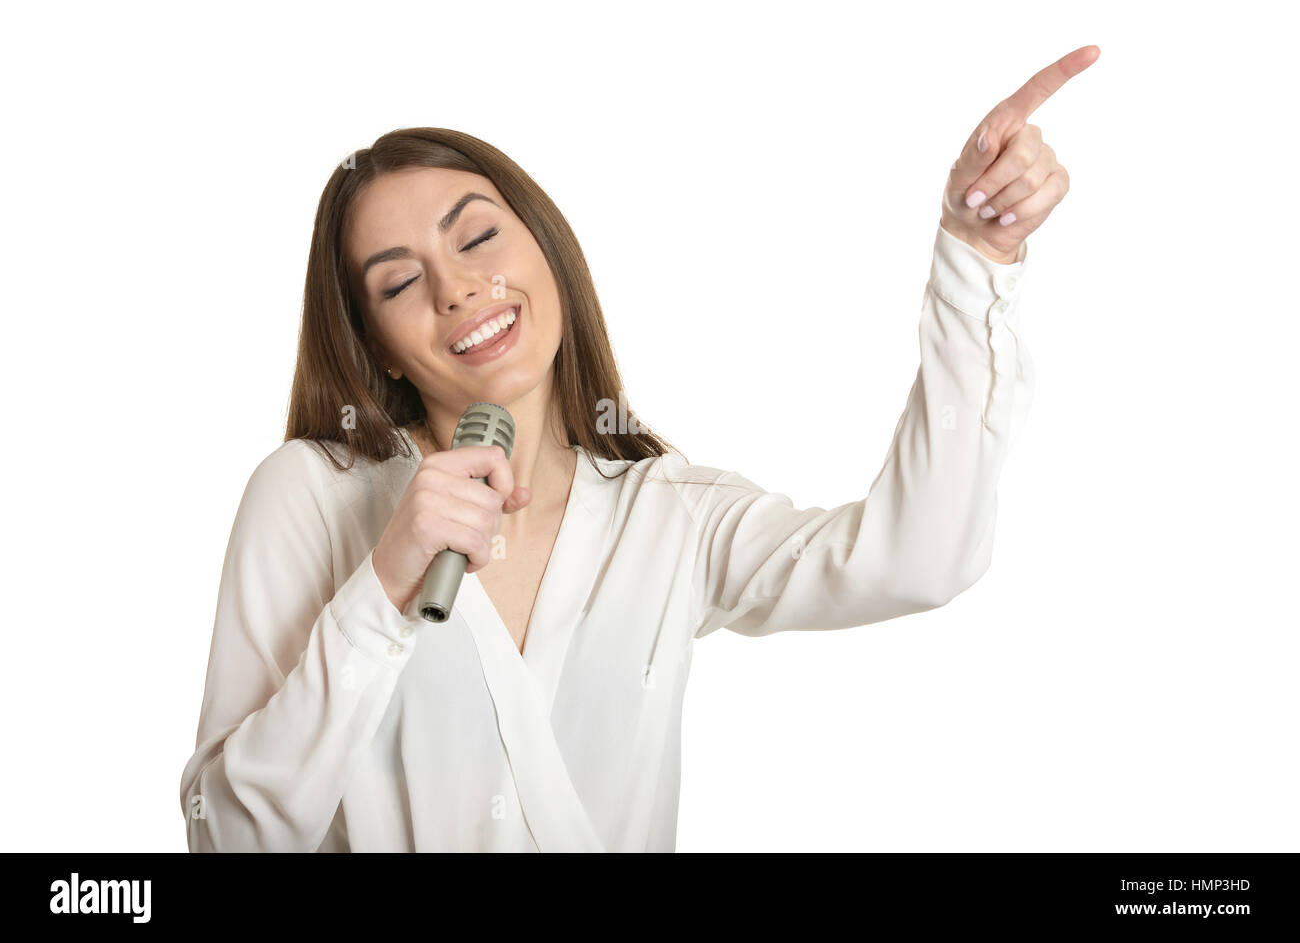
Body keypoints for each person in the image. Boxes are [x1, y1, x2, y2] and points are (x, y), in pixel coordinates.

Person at [178, 45, 1098, 852]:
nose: (458, 288)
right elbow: (228, 838)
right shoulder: (309, 496)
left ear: (545, 245)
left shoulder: (669, 515)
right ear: (372, 341)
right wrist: (380, 589)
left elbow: (917, 560)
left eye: (480, 237)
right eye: (400, 282)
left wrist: (977, 253)